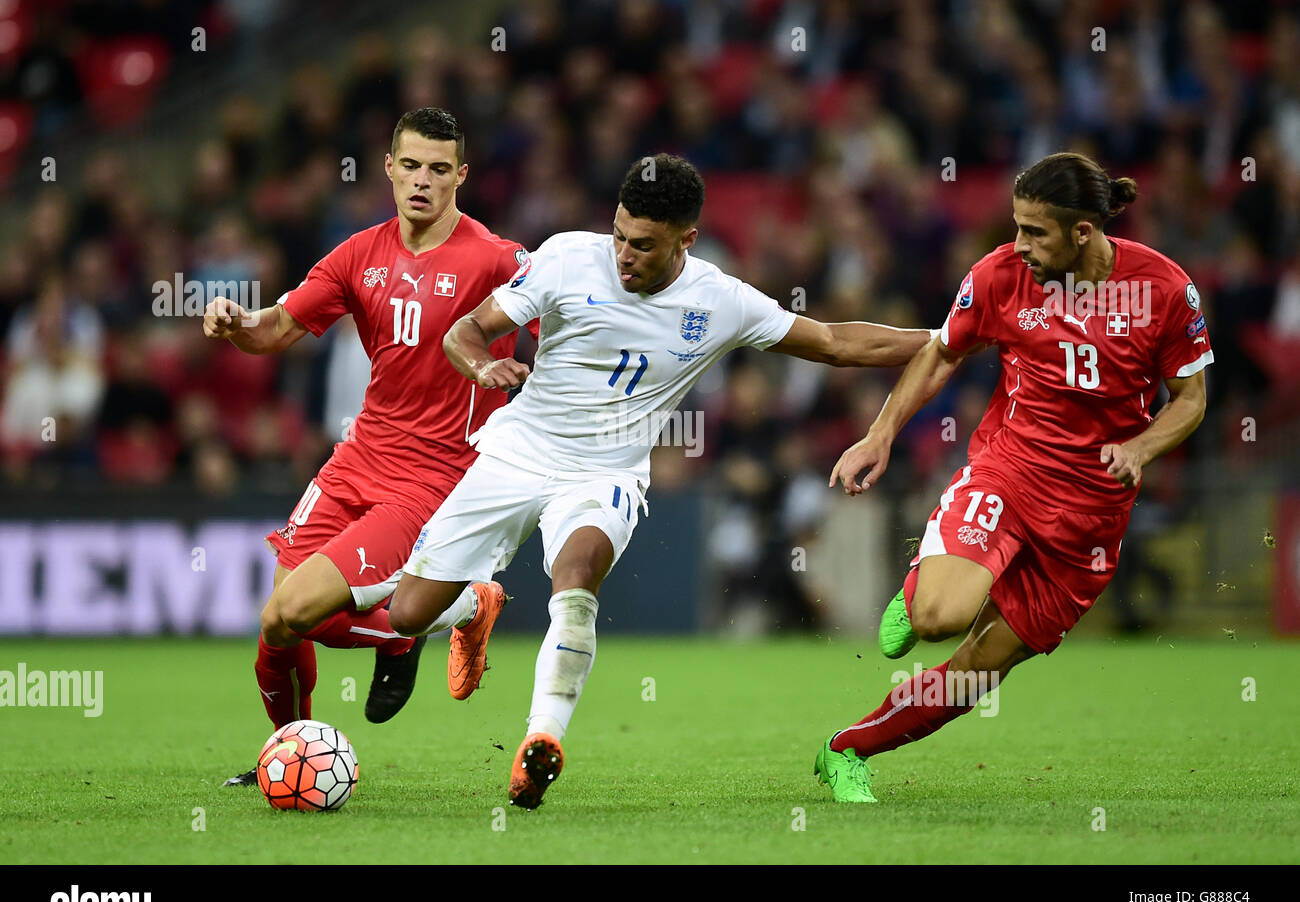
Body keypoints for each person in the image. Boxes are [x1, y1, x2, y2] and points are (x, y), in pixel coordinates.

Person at [386, 153, 933, 809]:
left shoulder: (718, 299)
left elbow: (835, 342)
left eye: (643, 244)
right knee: (406, 612)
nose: (623, 253)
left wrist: (950, 334)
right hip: (519, 450)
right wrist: (481, 367)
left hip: (606, 470)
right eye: (619, 234)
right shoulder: (566, 258)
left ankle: (541, 742)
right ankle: (476, 606)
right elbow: (467, 329)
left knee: (578, 572)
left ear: (686, 240)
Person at [814, 152, 1213, 802]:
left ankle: (846, 751)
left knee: (977, 670)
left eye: (1036, 232)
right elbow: (943, 351)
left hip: (1092, 515)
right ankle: (924, 587)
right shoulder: (999, 275)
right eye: (1017, 227)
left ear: (1082, 232)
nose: (1019, 245)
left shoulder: (1163, 289)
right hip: (1011, 471)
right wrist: (881, 433)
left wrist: (1142, 446)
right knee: (942, 617)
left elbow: (1191, 399)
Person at [203, 108, 534, 785]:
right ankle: (290, 755)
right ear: (388, 167)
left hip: (432, 478)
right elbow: (273, 330)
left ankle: (452, 610)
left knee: (298, 609)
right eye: (410, 165)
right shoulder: (359, 254)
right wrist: (237, 322)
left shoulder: (497, 260)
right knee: (277, 627)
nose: (422, 181)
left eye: (439, 170)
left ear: (461, 177)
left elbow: (569, 304)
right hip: (357, 457)